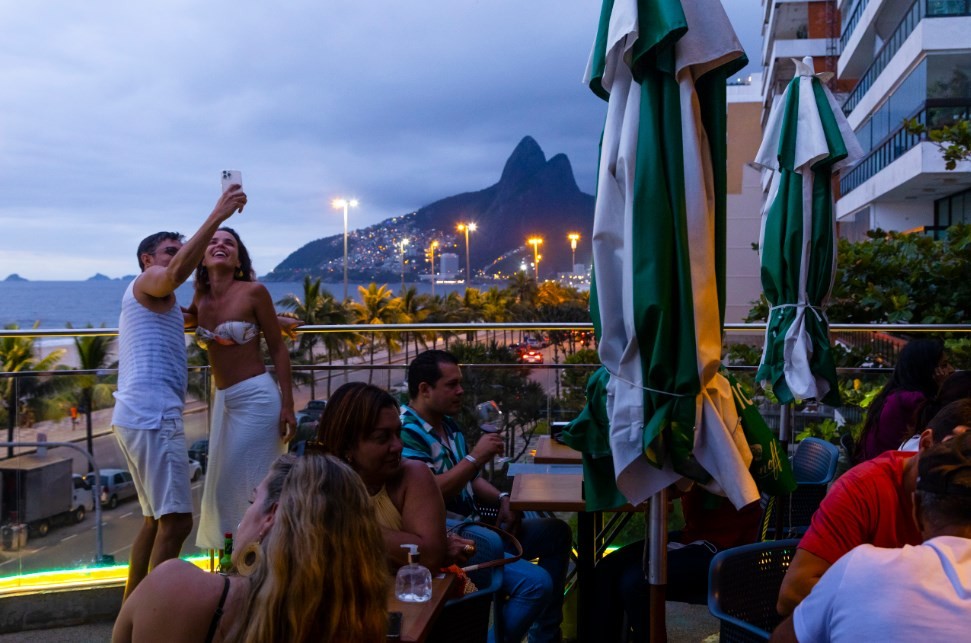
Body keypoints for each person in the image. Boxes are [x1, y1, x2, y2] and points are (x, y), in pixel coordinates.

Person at [111, 186, 246, 600]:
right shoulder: (151, 279)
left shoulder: (163, 300)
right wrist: (217, 216)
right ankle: (156, 621)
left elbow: (209, 318)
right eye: (171, 250)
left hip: (136, 415)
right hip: (154, 415)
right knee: (176, 524)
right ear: (147, 260)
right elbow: (172, 275)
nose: (179, 255)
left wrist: (274, 319)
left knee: (154, 522)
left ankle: (130, 619)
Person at [112, 452, 390, 642]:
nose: (243, 517)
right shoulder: (356, 623)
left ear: (271, 516)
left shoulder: (177, 589)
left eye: (252, 501)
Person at [400, 349, 572, 643]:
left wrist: (504, 497)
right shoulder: (408, 432)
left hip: (479, 524)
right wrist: (475, 458)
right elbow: (430, 492)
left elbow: (471, 478)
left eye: (461, 383)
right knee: (536, 585)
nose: (461, 390)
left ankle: (545, 636)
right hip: (455, 538)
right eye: (452, 384)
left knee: (556, 533)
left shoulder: (448, 426)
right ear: (425, 390)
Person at [777, 398, 971, 616]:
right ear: (925, 444)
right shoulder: (862, 488)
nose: (963, 472)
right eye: (956, 455)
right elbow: (792, 594)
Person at [189, 227, 296, 551]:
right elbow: (179, 318)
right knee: (223, 492)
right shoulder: (200, 299)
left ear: (237, 260)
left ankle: (262, 564)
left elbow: (278, 349)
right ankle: (237, 565)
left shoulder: (254, 291)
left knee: (254, 489)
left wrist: (288, 406)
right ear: (203, 258)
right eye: (213, 241)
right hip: (224, 401)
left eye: (229, 243)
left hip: (256, 400)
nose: (220, 245)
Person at [314, 382, 474, 571]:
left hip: (421, 597)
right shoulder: (317, 482)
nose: (398, 446)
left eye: (398, 433)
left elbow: (430, 556)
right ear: (347, 445)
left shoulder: (413, 475)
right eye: (382, 438)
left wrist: (345, 525)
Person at [594, 488, 760, 642]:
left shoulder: (730, 456)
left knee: (636, 582)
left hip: (729, 548)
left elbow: (672, 486)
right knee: (606, 570)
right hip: (694, 536)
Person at [855, 337, 953, 461]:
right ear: (928, 370)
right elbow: (943, 422)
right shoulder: (914, 400)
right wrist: (944, 387)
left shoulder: (897, 393)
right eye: (944, 365)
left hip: (876, 464)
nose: (951, 369)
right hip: (888, 469)